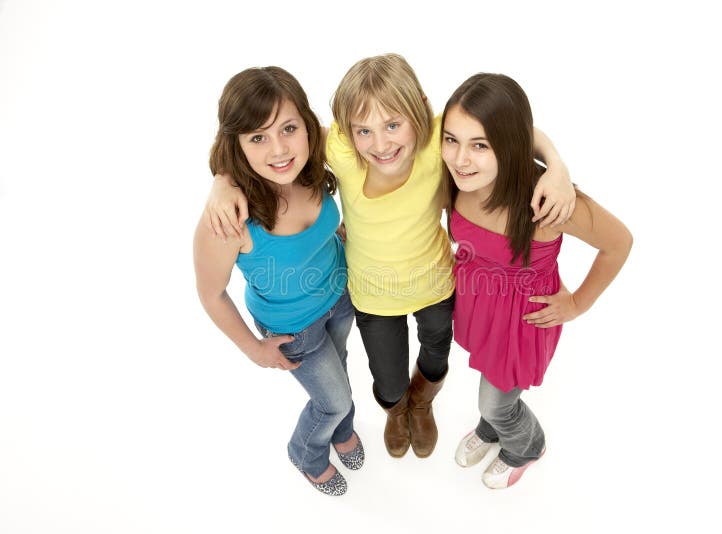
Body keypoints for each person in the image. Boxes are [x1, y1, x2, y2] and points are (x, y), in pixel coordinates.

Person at [202, 54, 576, 459]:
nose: (380, 145)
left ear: (419, 108)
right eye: (364, 130)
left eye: (394, 125)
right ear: (348, 131)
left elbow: (510, 130)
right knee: (389, 377)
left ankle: (423, 402)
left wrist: (556, 164)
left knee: (436, 356)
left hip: (435, 285)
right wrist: (222, 180)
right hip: (372, 294)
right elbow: (273, 143)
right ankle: (398, 408)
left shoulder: (436, 143)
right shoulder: (343, 153)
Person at [441, 73, 632, 489]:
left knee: (497, 400)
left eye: (480, 146)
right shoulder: (455, 180)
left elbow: (619, 242)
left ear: (508, 146)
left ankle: (524, 445)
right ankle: (491, 427)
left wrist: (579, 303)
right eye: (451, 140)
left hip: (522, 321)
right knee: (491, 384)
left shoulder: (547, 202)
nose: (460, 159)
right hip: (479, 303)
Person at [193, 67, 363, 496]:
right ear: (237, 144)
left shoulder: (314, 161)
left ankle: (343, 430)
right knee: (333, 398)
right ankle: (306, 452)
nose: (280, 149)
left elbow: (371, 135)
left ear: (307, 126)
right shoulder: (227, 219)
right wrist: (253, 349)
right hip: (293, 328)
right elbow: (211, 294)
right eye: (258, 138)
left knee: (340, 371)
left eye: (289, 128)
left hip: (340, 296)